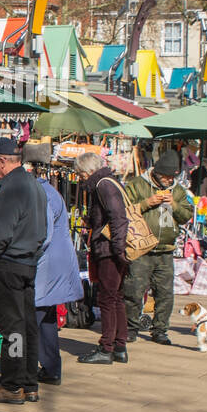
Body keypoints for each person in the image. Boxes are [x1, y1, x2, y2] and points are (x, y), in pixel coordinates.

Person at [0, 139, 47, 404]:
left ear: (2, 161)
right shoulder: (34, 185)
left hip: (7, 264)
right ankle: (29, 383)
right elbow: (43, 230)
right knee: (26, 325)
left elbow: (1, 232)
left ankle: (12, 385)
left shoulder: (12, 187)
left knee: (13, 329)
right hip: (26, 264)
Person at [123, 150, 193, 345]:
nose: (168, 181)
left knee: (165, 293)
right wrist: (147, 203)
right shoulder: (137, 184)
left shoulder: (178, 191)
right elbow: (124, 210)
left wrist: (174, 205)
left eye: (172, 177)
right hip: (141, 248)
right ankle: (130, 328)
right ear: (156, 172)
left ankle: (160, 330)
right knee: (133, 290)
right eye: (165, 176)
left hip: (166, 249)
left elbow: (187, 215)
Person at [76, 151, 129, 365]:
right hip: (112, 248)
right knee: (116, 297)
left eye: (80, 174)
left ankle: (106, 348)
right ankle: (119, 346)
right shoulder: (109, 183)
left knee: (107, 299)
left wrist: (117, 248)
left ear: (89, 171)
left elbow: (118, 217)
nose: (79, 178)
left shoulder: (103, 185)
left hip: (109, 250)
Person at [32, 169, 83, 385]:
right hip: (55, 260)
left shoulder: (41, 193)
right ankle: (51, 369)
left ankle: (26, 369)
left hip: (48, 262)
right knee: (47, 315)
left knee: (35, 313)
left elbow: (43, 233)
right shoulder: (48, 190)